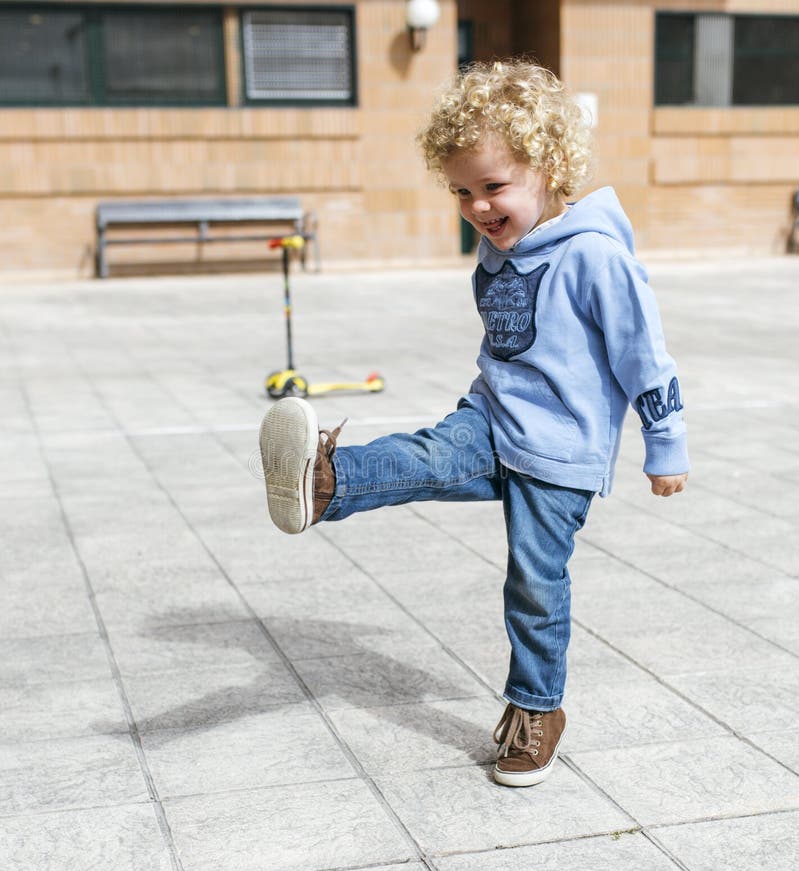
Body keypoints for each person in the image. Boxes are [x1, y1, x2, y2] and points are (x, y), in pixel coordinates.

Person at [258, 59, 689, 788]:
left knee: (532, 582)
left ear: (548, 168)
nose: (478, 207)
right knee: (430, 455)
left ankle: (535, 711)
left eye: (493, 187)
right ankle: (325, 482)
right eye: (461, 191)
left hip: (559, 454)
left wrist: (664, 445)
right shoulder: (496, 254)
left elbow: (644, 358)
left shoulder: (594, 258)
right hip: (491, 418)